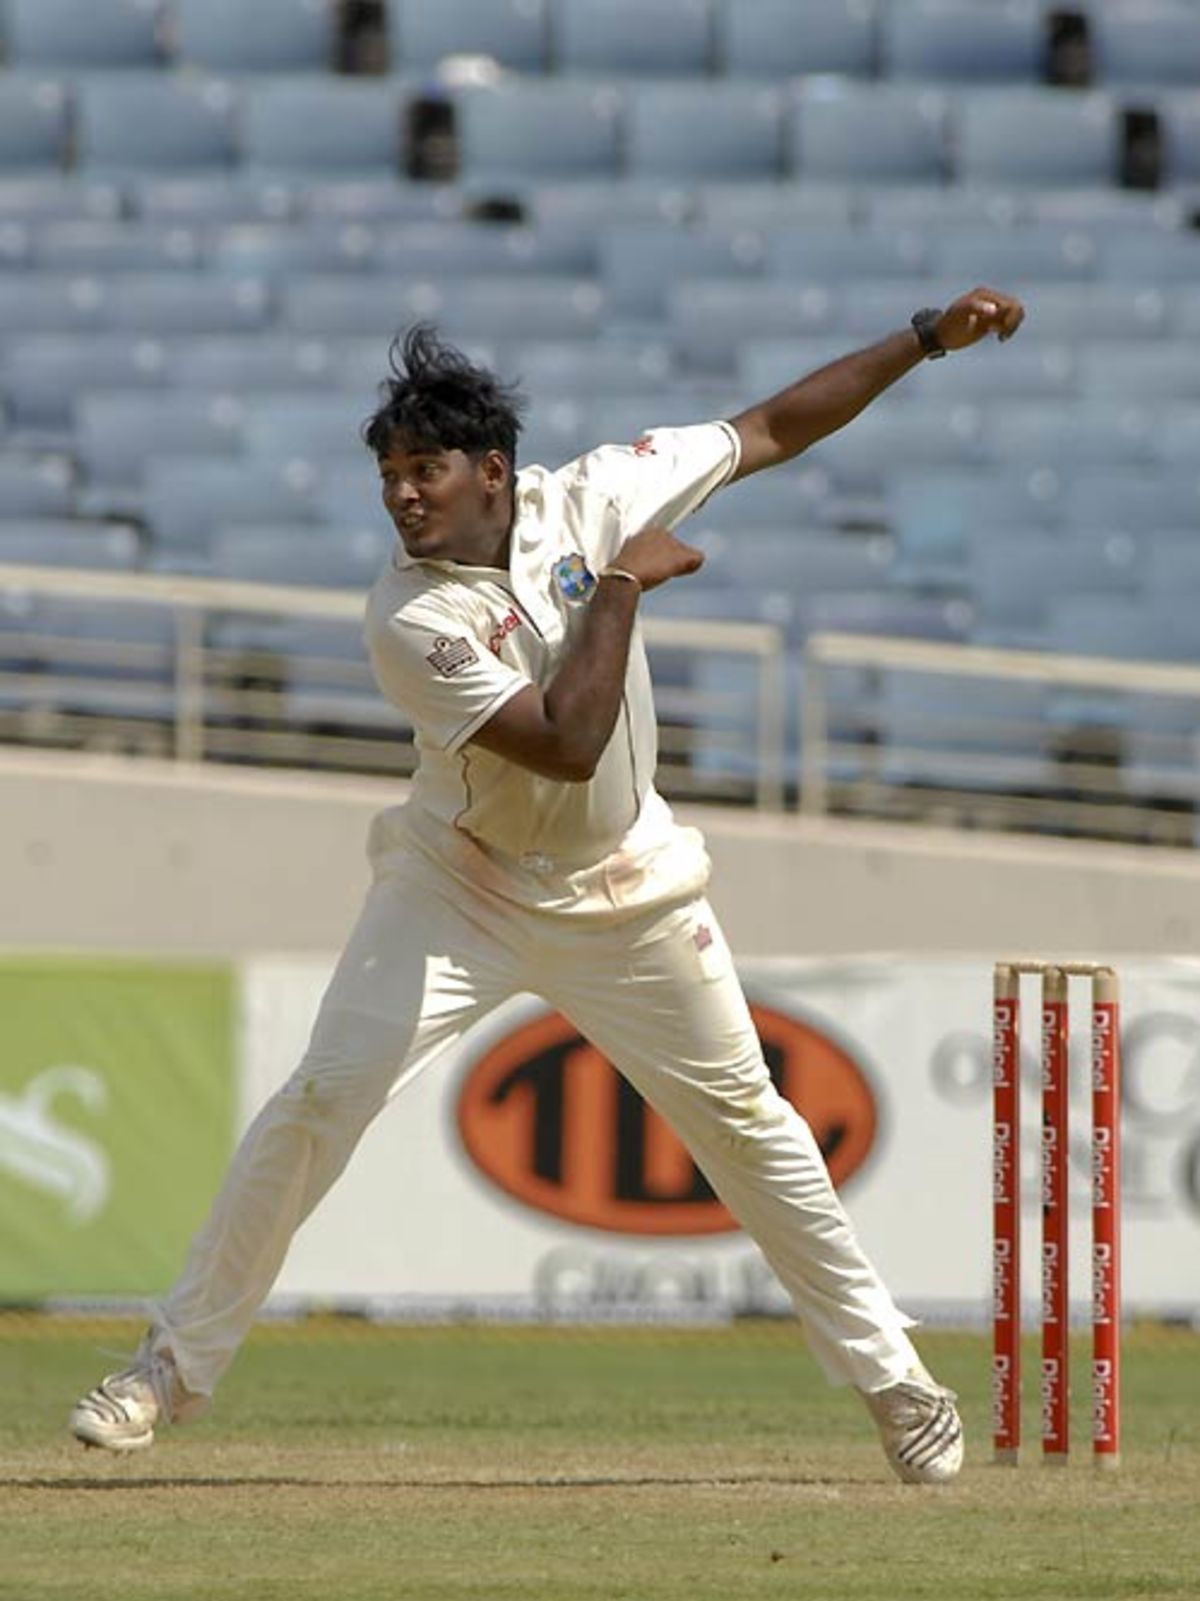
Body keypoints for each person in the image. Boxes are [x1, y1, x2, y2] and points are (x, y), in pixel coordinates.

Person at [70, 288, 1024, 1482]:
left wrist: (924, 339)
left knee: (748, 1123)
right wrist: (619, 588)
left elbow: (771, 427)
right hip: (459, 883)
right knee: (325, 1093)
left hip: (626, 888)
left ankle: (895, 1382)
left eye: (425, 470)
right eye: (390, 477)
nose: (403, 497)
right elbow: (568, 741)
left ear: (495, 470)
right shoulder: (407, 615)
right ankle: (167, 1366)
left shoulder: (599, 493)